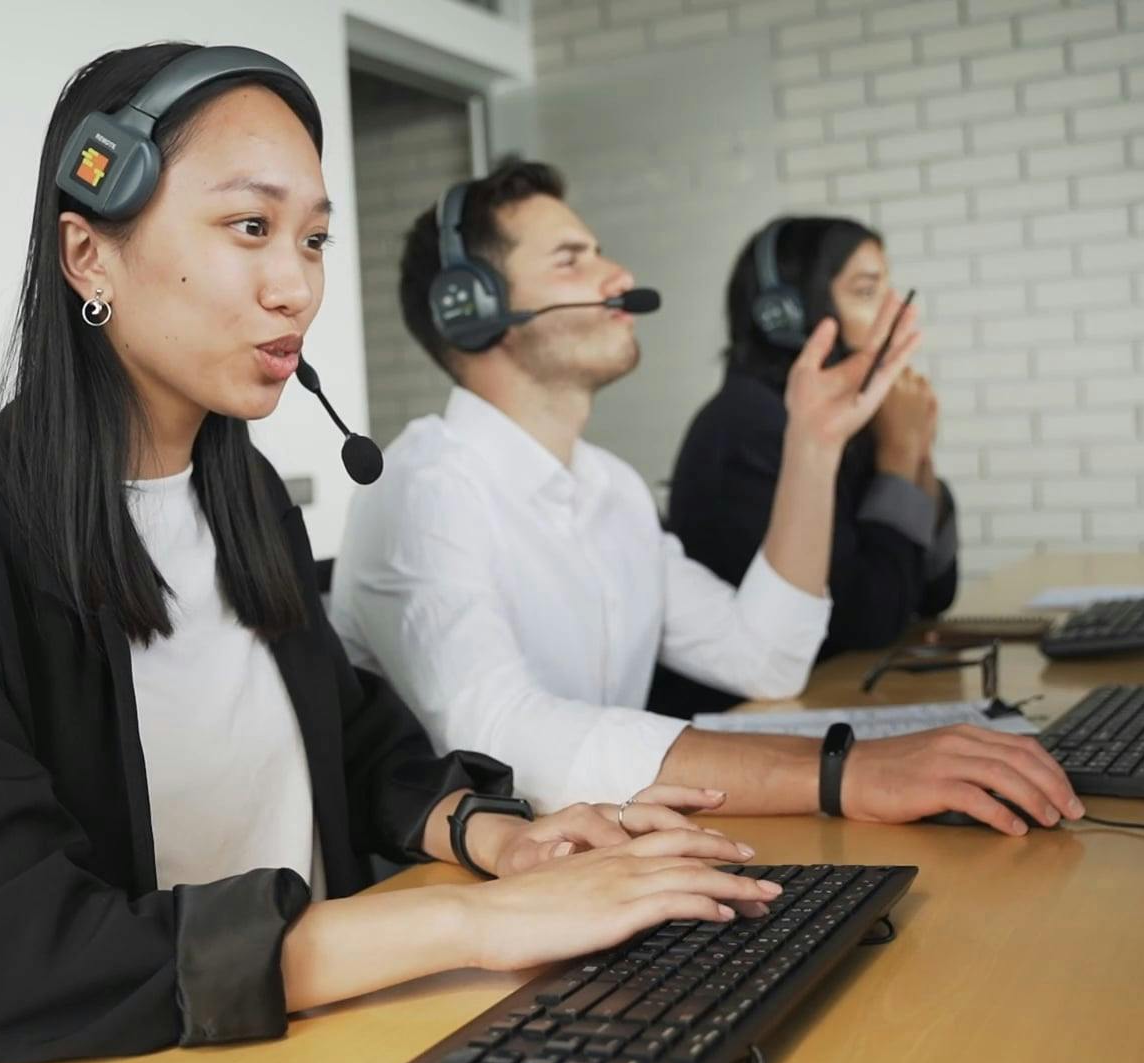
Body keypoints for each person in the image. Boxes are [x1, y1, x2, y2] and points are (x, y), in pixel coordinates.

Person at [0, 45, 784, 1063]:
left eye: (312, 239)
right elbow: (21, 955)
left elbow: (343, 737)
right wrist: (480, 927)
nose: (296, 285)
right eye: (250, 228)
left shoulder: (245, 494)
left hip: (302, 1041)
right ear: (89, 255)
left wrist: (494, 836)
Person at [328, 159, 1079, 839]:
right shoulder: (421, 490)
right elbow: (497, 739)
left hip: (603, 866)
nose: (618, 274)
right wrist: (843, 772)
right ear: (473, 307)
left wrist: (812, 447)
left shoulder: (610, 489)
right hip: (466, 899)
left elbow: (766, 659)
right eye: (572, 260)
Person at [666, 216, 957, 666]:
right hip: (760, 714)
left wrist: (917, 450)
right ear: (786, 314)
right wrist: (898, 456)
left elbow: (935, 590)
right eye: (866, 291)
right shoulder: (749, 430)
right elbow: (869, 621)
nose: (894, 310)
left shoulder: (858, 425)